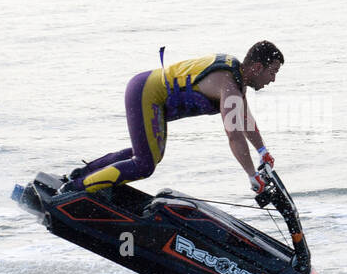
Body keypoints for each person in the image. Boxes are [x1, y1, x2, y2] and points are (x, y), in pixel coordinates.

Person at [64, 41, 284, 196]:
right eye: (272, 72)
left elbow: (244, 119)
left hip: (145, 90)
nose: (273, 79)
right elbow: (234, 136)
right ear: (257, 67)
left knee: (146, 154)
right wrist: (251, 175)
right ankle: (76, 190)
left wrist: (263, 152)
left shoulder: (236, 77)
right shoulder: (229, 86)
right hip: (146, 94)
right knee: (145, 164)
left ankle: (81, 176)